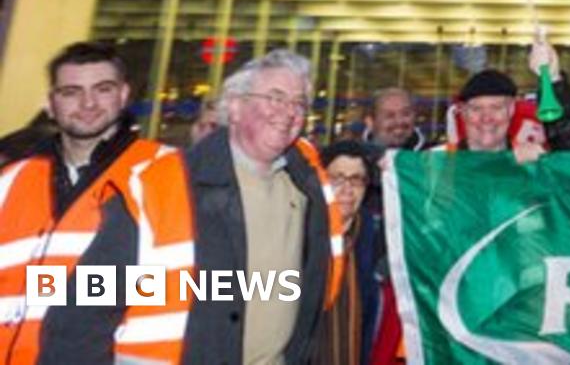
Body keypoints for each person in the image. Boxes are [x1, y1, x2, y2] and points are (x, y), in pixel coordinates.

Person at [41, 49, 344, 363]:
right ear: (236, 107)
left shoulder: (307, 184)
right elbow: (82, 314)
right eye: (275, 97)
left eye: (298, 103)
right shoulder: (162, 185)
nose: (289, 112)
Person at [0, 42, 166, 364]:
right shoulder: (11, 179)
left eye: (103, 89)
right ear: (50, 104)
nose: (88, 103)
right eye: (71, 92)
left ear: (123, 94)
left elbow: (176, 283)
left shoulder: (162, 173)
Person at [317, 141, 388, 365]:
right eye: (337, 178)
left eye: (356, 179)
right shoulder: (299, 233)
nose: (347, 189)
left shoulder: (375, 240)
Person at [365, 87, 431, 152]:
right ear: (370, 122)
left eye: (406, 114)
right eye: (390, 115)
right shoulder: (357, 155)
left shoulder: (433, 155)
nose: (399, 121)